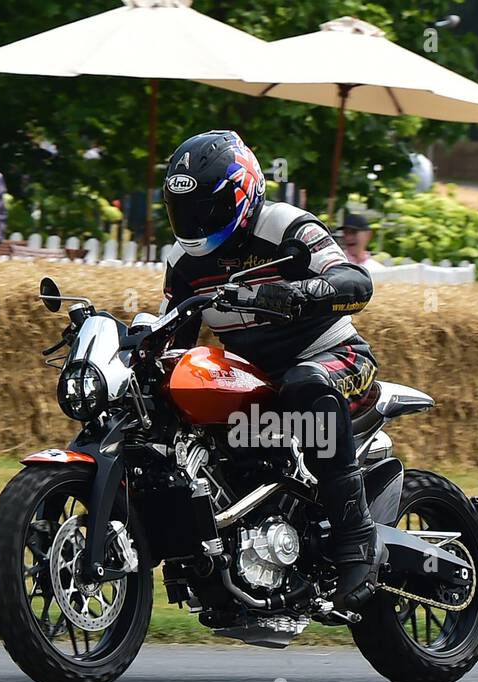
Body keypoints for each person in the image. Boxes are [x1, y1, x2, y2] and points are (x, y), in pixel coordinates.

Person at [160, 130, 381, 610]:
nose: (195, 220)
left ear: (241, 194)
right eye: (185, 208)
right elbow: (175, 335)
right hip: (253, 381)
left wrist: (298, 293)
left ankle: (356, 540)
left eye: (205, 206)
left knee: (305, 383)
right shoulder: (181, 262)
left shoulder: (286, 227)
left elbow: (356, 283)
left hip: (335, 359)